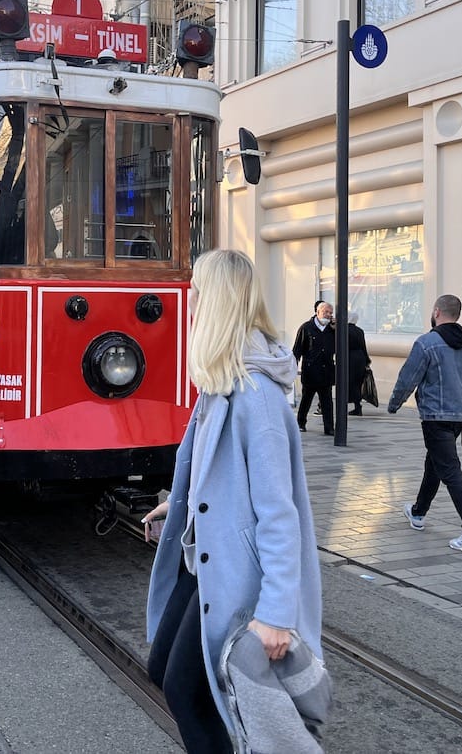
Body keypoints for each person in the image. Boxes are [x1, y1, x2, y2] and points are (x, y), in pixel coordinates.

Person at [142, 250, 323, 752]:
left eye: (196, 289)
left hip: (233, 572)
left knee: (188, 692)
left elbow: (280, 517)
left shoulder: (256, 399)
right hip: (203, 557)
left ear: (215, 302)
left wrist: (277, 614)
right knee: (163, 668)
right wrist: (177, 507)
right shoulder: (221, 382)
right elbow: (211, 470)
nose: (189, 299)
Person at [388, 294, 462, 553]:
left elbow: (408, 377)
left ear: (437, 312)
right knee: (434, 463)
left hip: (435, 417)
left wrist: (394, 403)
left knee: (450, 471)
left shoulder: (426, 344)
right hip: (460, 417)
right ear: (458, 315)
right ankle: (418, 512)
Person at [293, 300, 336, 435]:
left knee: (327, 401)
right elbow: (297, 350)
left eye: (330, 313)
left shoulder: (332, 329)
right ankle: (300, 422)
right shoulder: (306, 328)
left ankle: (329, 428)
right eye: (325, 312)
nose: (328, 315)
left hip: (326, 371)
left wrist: (338, 329)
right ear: (317, 312)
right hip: (311, 370)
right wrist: (292, 367)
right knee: (306, 399)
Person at [346, 314, 371, 416]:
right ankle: (357, 406)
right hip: (360, 357)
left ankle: (347, 405)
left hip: (349, 357)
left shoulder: (344, 330)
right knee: (357, 382)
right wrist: (367, 360)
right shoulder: (360, 331)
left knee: (348, 382)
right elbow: (363, 346)